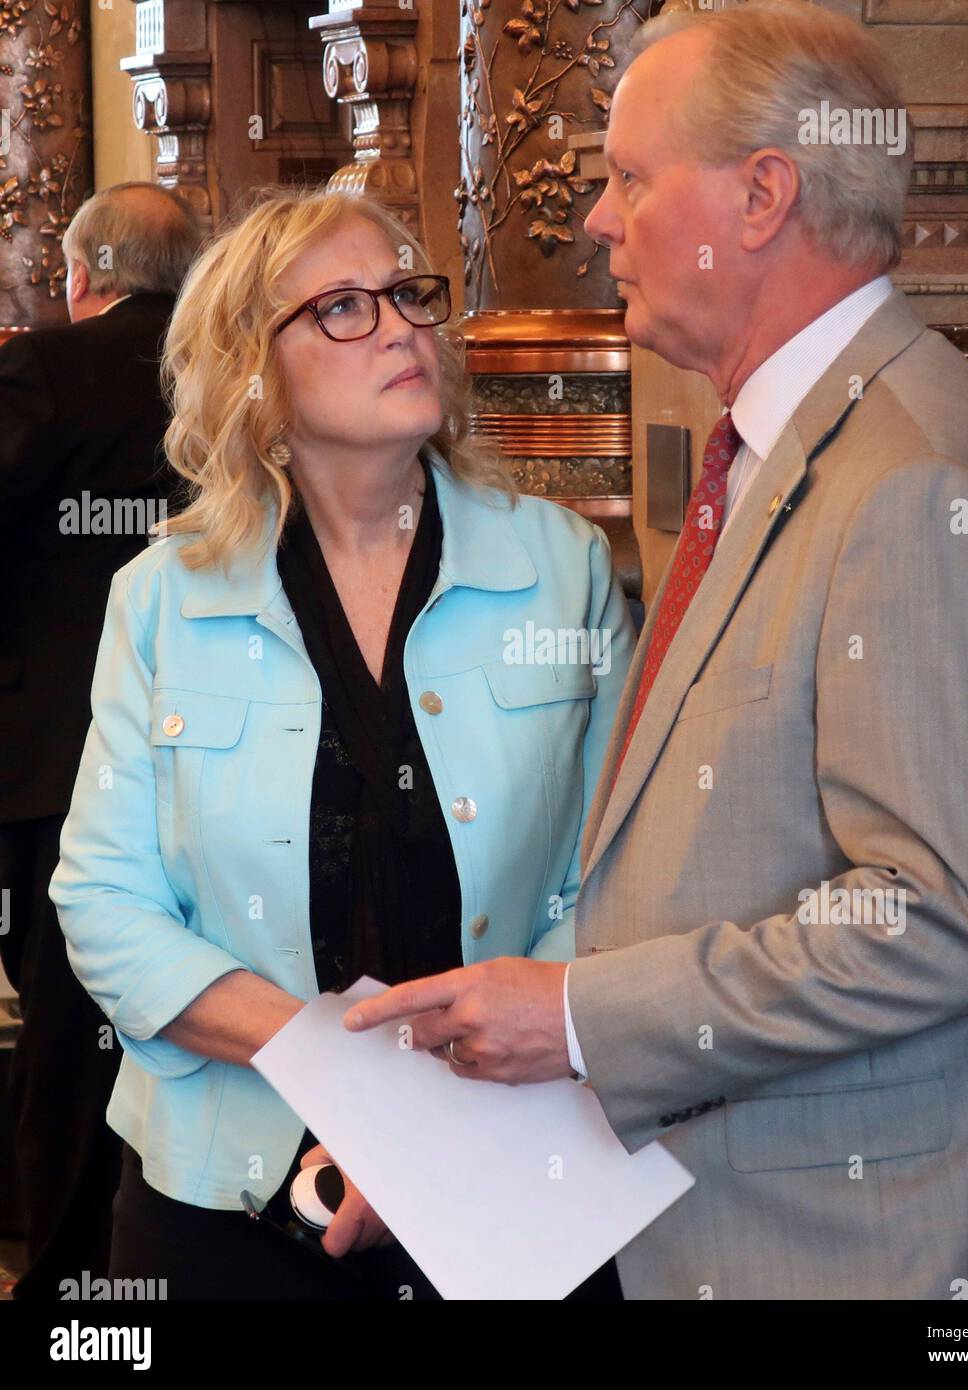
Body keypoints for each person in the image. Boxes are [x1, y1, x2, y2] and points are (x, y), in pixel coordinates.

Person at [340, 1, 968, 1300]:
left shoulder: (912, 485)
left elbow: (936, 917)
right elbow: (722, 884)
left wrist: (579, 1016)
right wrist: (477, 1127)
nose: (596, 219)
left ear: (762, 196)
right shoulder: (792, 448)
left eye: (632, 178)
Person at [47, 186, 634, 1300]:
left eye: (410, 295)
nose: (405, 326)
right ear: (252, 368)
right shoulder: (164, 597)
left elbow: (608, 881)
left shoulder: (558, 568)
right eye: (346, 308)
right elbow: (105, 903)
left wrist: (437, 1115)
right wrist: (351, 1079)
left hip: (513, 1165)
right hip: (229, 1200)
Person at [0, 181, 202, 1300]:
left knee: (65, 1021)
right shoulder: (230, 369)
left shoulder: (42, 368)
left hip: (49, 754)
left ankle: (74, 1289)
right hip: (211, 748)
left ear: (85, 274)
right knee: (173, 1012)